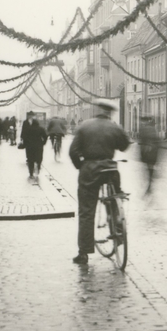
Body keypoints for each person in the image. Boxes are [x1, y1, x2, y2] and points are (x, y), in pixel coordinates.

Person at [69, 99, 132, 265]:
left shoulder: (84, 126)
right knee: (115, 197)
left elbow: (73, 151)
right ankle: (118, 228)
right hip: (109, 170)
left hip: (90, 170)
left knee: (86, 210)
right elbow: (125, 145)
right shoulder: (114, 126)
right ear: (109, 112)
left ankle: (83, 253)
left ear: (97, 110)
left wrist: (81, 166)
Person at [20, 111, 48, 182]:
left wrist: (24, 143)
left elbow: (24, 135)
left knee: (30, 159)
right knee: (39, 158)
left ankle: (31, 173)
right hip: (39, 146)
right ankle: (38, 168)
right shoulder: (41, 129)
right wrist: (43, 142)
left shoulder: (28, 129)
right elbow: (45, 136)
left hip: (29, 146)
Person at [137, 116, 161, 195]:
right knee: (150, 169)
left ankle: (149, 185)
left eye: (143, 121)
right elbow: (157, 141)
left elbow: (141, 143)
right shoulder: (153, 129)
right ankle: (149, 184)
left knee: (148, 169)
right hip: (153, 153)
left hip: (148, 153)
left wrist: (141, 155)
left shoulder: (143, 129)